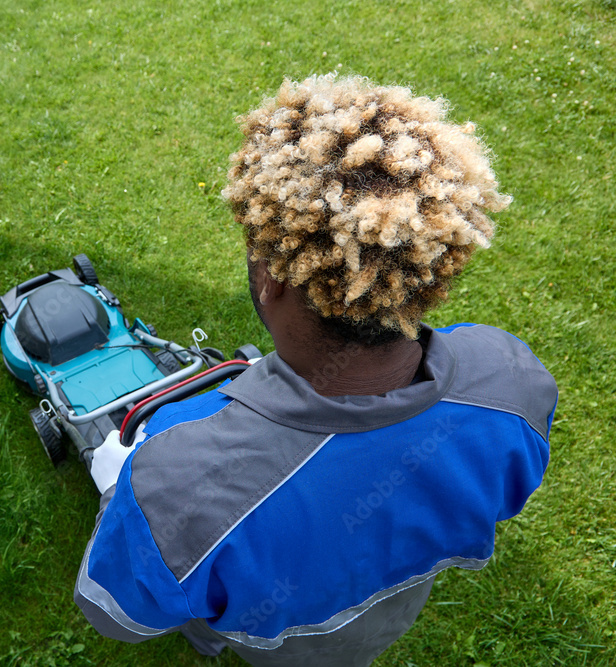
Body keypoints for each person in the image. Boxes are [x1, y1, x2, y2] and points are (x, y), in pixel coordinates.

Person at [74, 74, 557, 666]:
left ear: (272, 279)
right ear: (432, 266)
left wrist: (117, 487)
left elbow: (114, 613)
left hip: (275, 642)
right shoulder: (511, 379)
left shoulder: (175, 481)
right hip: (392, 614)